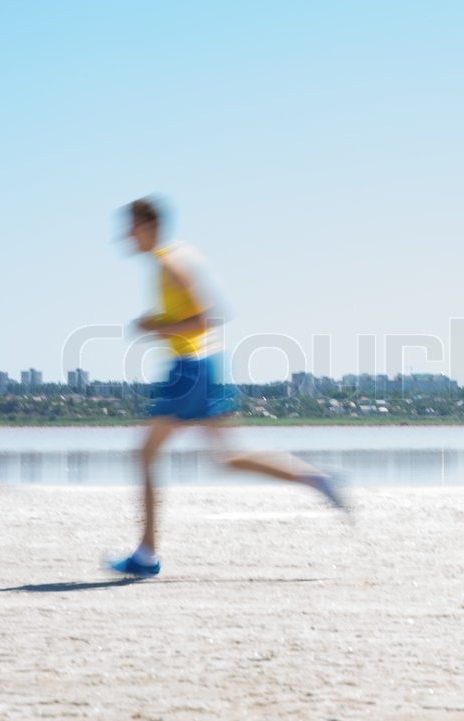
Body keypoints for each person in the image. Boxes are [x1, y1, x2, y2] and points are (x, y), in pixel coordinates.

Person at [109, 197, 347, 578]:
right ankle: (316, 478)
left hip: (189, 368)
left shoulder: (169, 262)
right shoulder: (175, 257)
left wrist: (153, 327)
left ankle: (146, 556)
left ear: (147, 225)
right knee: (227, 458)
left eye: (131, 226)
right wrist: (161, 322)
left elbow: (207, 317)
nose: (125, 235)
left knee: (145, 454)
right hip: (202, 366)